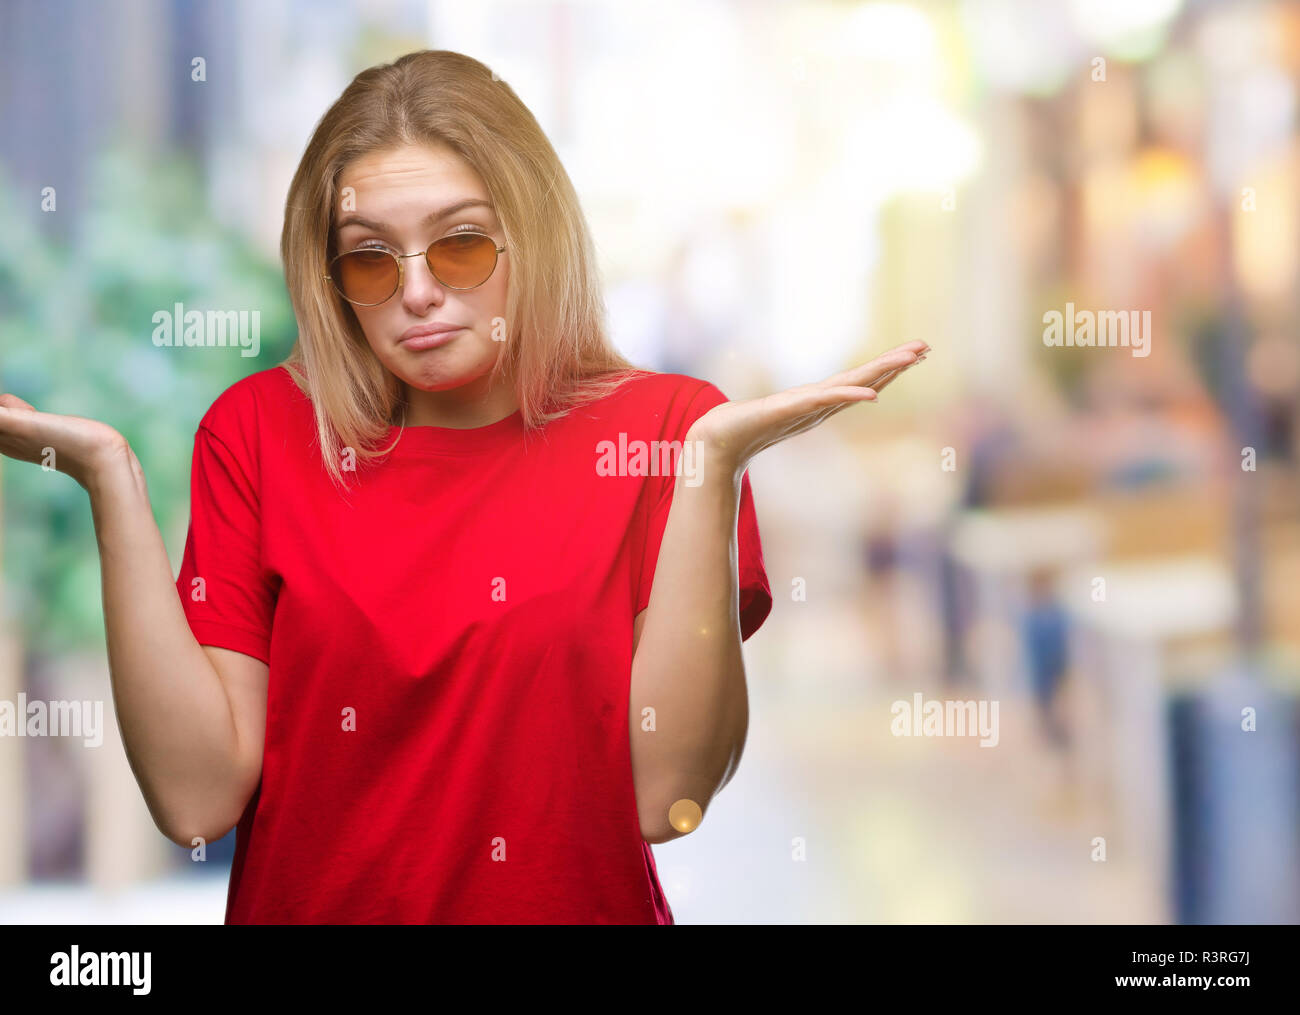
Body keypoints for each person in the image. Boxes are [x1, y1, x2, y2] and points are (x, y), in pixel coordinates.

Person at [0, 49, 929, 924]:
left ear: (532, 229)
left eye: (460, 245)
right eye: (369, 256)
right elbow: (197, 800)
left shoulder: (669, 432)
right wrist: (109, 480)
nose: (417, 291)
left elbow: (668, 796)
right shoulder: (258, 433)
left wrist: (711, 472)